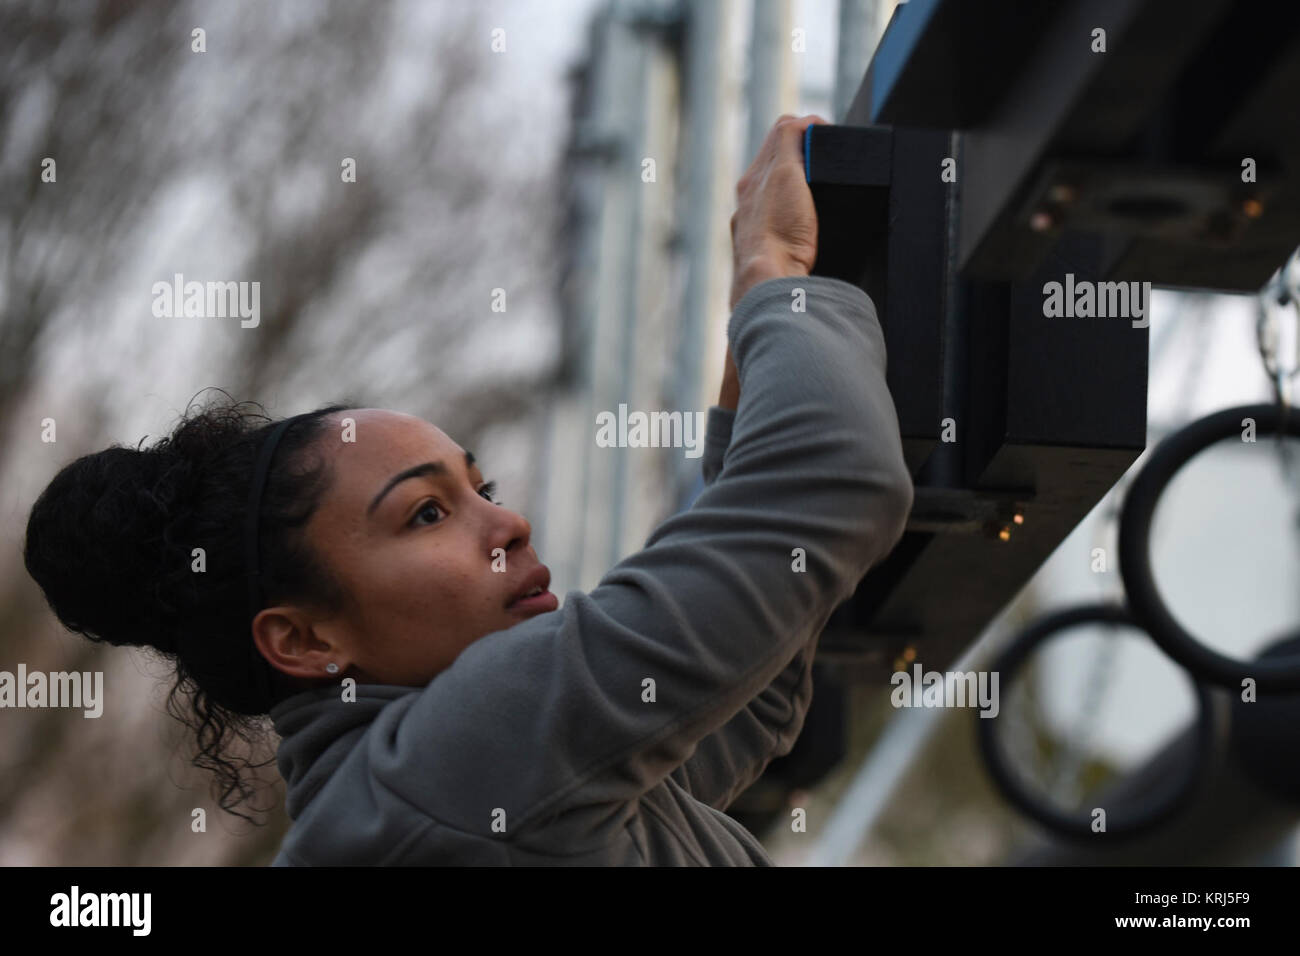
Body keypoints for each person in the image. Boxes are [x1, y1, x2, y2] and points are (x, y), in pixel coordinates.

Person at [23, 114, 914, 865]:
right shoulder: (447, 774)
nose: (509, 523)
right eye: (427, 513)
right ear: (303, 638)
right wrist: (772, 273)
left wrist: (745, 384)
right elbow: (837, 478)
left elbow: (733, 704)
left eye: (479, 486)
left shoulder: (414, 796)